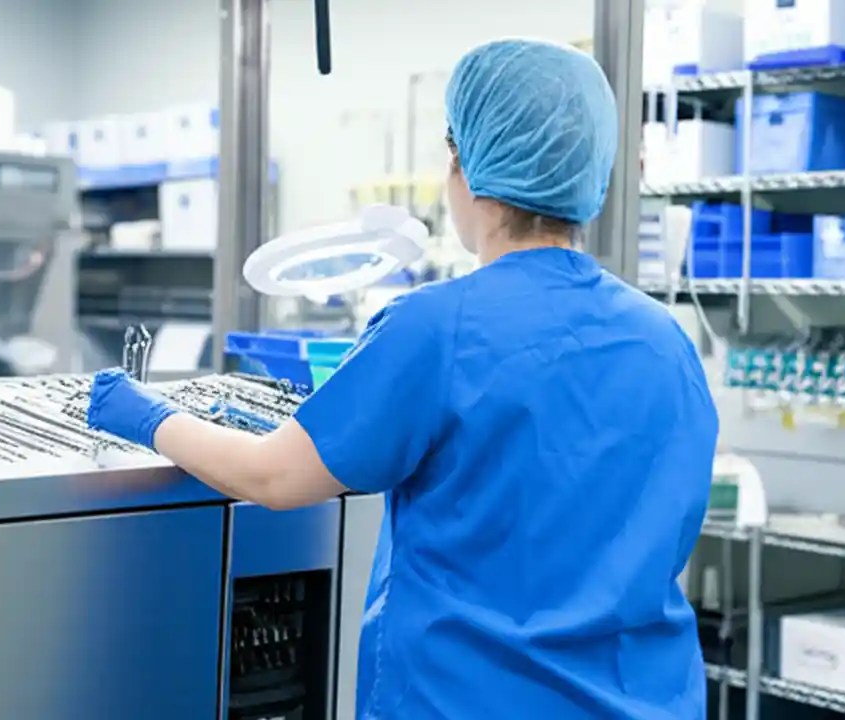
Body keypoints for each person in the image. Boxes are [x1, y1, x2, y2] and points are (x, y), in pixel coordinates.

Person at [88, 38, 717, 720]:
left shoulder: (437, 327)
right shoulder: (665, 341)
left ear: (464, 169)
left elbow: (273, 478)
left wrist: (146, 416)